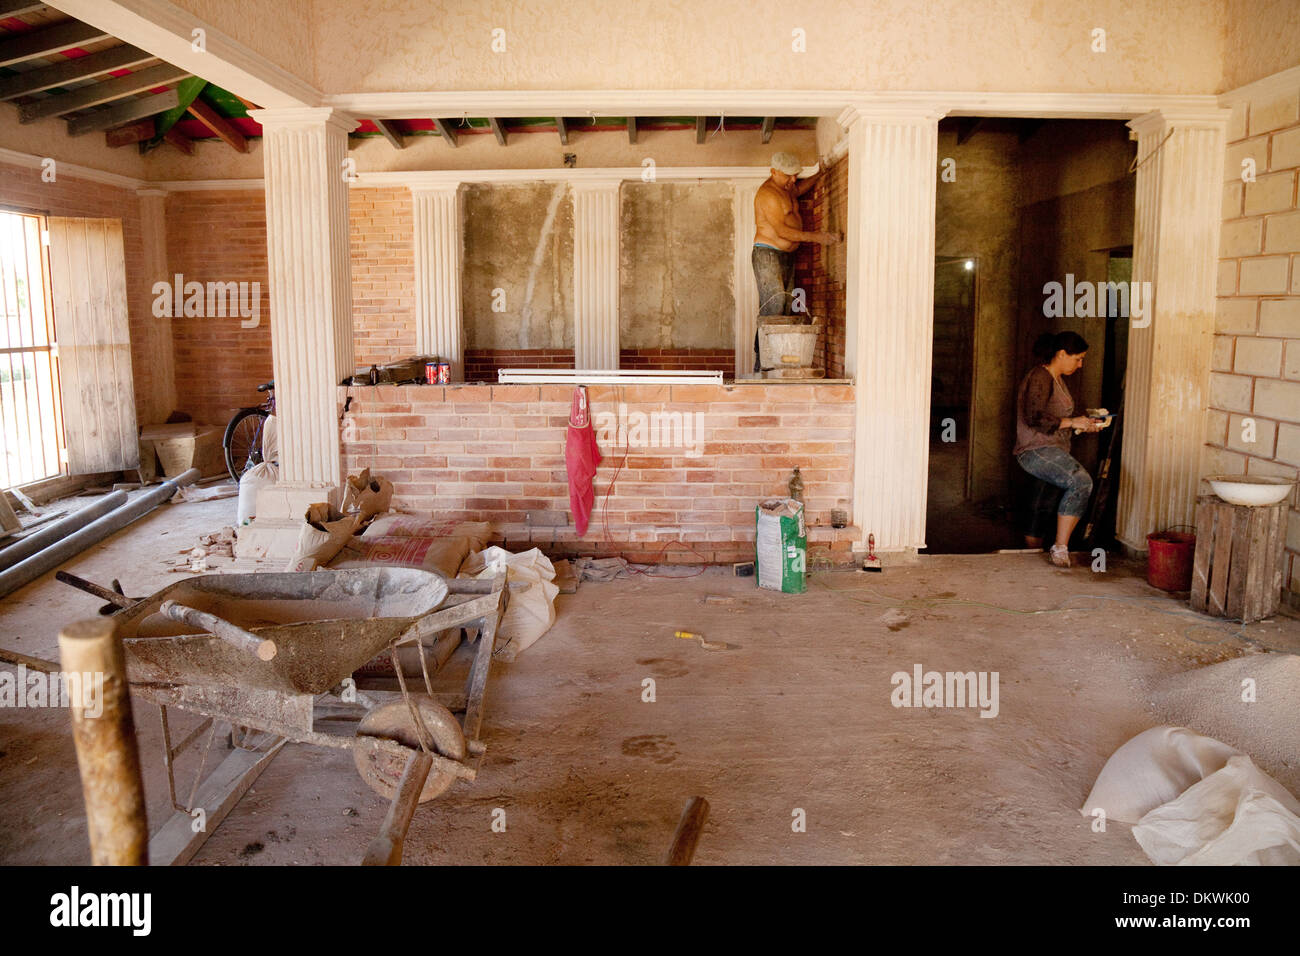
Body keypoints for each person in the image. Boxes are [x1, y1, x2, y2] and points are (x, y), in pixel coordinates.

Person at [1013, 331, 1104, 567]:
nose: (1081, 364)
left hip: (1054, 449)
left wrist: (1081, 425)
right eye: (1078, 358)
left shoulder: (1056, 379)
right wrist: (1073, 422)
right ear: (1061, 354)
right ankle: (1060, 548)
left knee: (1043, 500)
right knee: (1081, 482)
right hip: (1036, 450)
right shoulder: (1040, 376)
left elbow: (1056, 420)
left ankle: (1034, 555)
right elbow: (1034, 417)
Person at [752, 152, 841, 371]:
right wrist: (820, 238)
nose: (794, 180)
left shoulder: (787, 187)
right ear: (774, 172)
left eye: (795, 175)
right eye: (789, 176)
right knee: (773, 307)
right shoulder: (767, 194)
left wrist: (821, 173)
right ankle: (762, 365)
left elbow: (799, 190)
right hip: (768, 254)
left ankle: (781, 363)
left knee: (787, 307)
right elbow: (783, 231)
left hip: (786, 256)